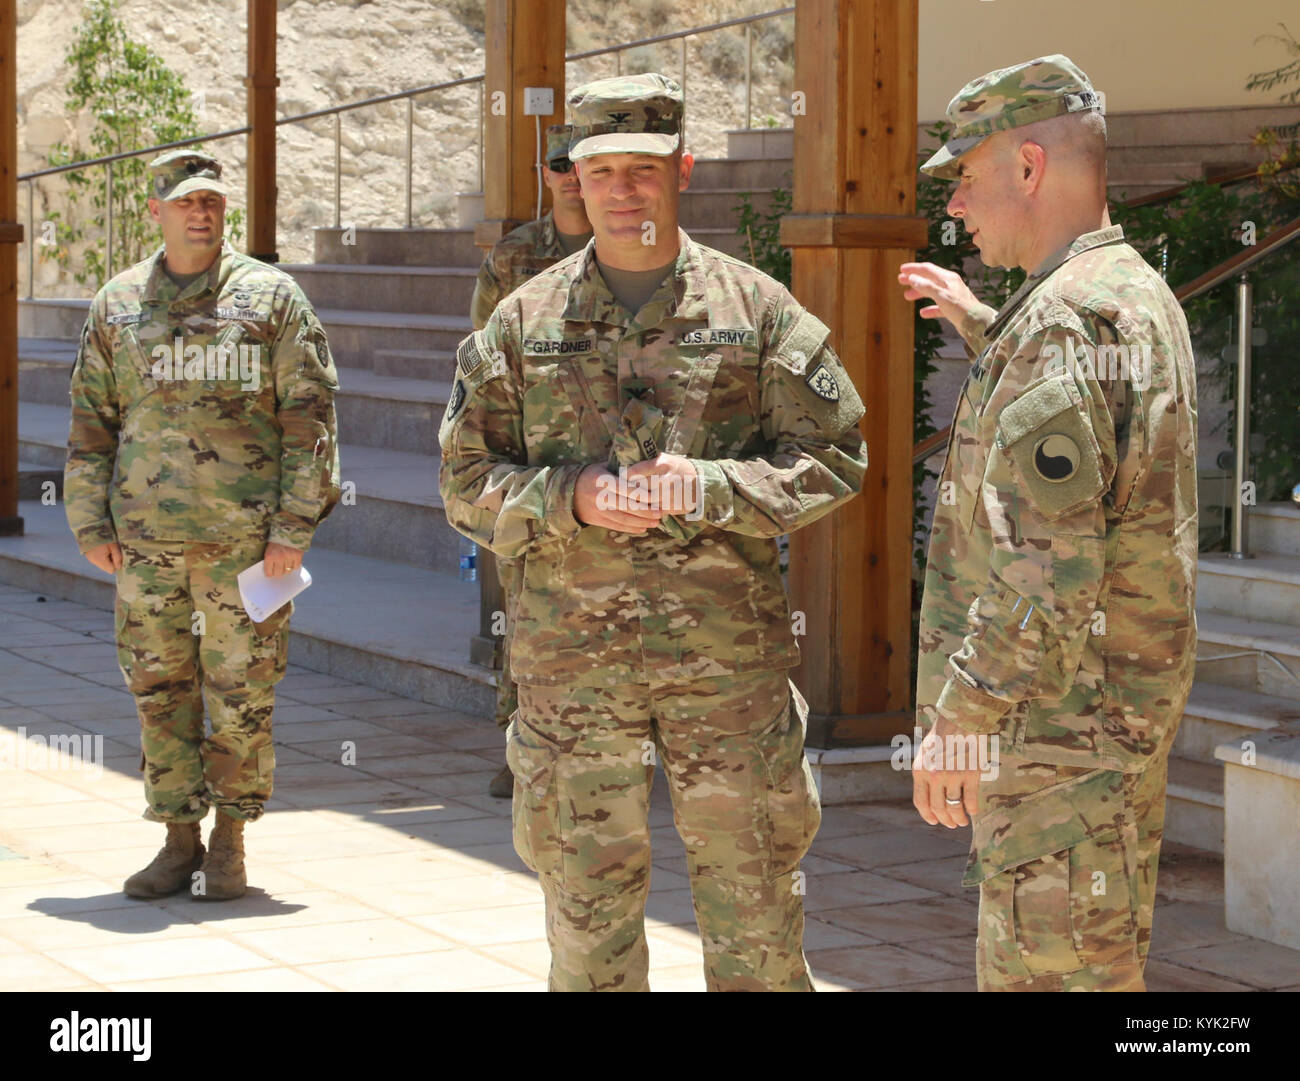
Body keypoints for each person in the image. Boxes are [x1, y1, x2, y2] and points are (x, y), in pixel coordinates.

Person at [439, 73, 868, 991]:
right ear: (574, 180)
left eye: (644, 167)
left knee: (754, 916)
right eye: (602, 171)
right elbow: (466, 482)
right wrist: (574, 498)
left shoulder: (755, 311)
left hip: (727, 673)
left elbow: (837, 457)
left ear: (685, 169)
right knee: (589, 934)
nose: (623, 189)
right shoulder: (520, 323)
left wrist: (710, 487)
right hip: (572, 680)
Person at [899, 55, 1197, 991]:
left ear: (1030, 167)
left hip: (1056, 739)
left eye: (966, 176)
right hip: (1104, 730)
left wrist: (961, 721)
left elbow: (1047, 567)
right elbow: (1093, 434)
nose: (956, 207)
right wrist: (991, 328)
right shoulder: (1124, 295)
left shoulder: (1065, 324)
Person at [64, 149, 341, 901]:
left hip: (247, 546)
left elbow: (309, 420)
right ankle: (176, 835)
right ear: (156, 210)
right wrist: (88, 520)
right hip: (145, 544)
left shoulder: (271, 299)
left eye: (213, 202)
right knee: (159, 687)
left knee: (242, 688)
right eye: (186, 202)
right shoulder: (118, 304)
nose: (201, 213)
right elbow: (93, 421)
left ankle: (230, 839)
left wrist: (293, 526)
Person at [468, 123, 593, 799]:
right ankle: (519, 746)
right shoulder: (517, 258)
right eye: (560, 165)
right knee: (523, 611)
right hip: (531, 467)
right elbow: (482, 361)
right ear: (544, 174)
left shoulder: (630, 252)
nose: (572, 175)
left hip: (608, 464)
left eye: (583, 163)